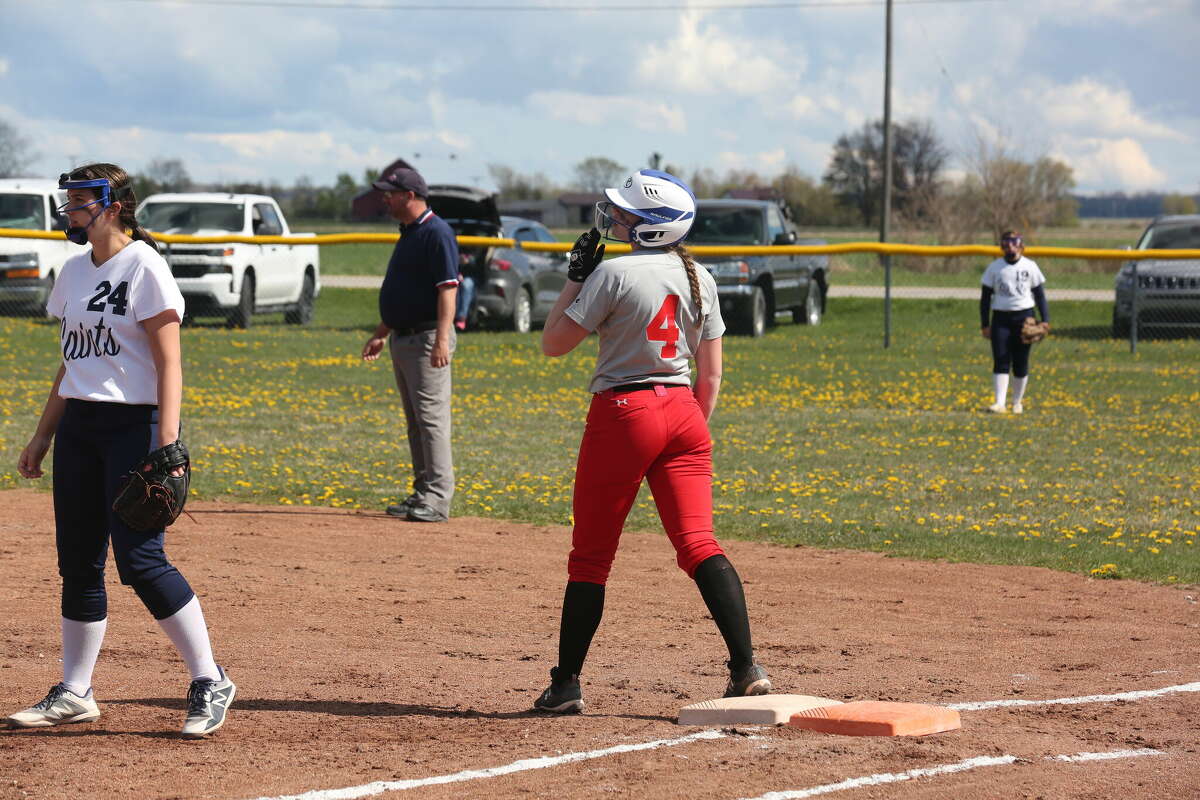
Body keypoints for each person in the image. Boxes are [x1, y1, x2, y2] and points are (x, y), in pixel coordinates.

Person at [7, 164, 235, 738]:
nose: (69, 210)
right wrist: (43, 434)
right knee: (79, 559)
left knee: (139, 560)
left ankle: (211, 679)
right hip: (81, 426)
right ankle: (76, 690)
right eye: (69, 200)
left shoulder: (145, 267)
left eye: (79, 200)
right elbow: (72, 362)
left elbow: (169, 362)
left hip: (134, 428)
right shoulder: (75, 271)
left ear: (111, 206)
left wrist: (167, 445)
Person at [532, 169, 771, 714]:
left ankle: (566, 683)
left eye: (626, 214)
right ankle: (745, 669)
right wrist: (687, 427)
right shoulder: (700, 278)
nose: (615, 219)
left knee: (591, 557)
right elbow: (710, 377)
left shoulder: (613, 274)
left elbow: (552, 344)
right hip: (684, 412)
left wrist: (575, 276)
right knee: (699, 545)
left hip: (624, 411)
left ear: (654, 227)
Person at [361, 166, 458, 523]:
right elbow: (406, 293)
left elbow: (448, 289)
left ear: (410, 196)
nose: (385, 197)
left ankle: (437, 498)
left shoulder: (436, 232)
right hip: (405, 337)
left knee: (431, 421)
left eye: (391, 192)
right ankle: (422, 492)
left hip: (428, 337)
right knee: (416, 422)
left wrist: (442, 340)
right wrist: (381, 331)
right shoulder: (410, 233)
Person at [980, 229, 1050, 414]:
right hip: (1001, 318)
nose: (1009, 246)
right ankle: (999, 403)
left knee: (1020, 361)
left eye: (1013, 242)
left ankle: (1017, 402)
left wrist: (1045, 320)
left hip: (1024, 316)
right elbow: (985, 298)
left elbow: (1040, 295)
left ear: (1021, 245)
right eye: (1005, 242)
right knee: (1001, 359)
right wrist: (985, 324)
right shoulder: (994, 268)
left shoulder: (1030, 266)